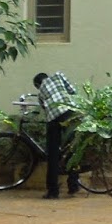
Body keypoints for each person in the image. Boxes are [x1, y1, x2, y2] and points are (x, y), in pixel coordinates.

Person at [35, 71, 81, 199]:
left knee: (53, 154)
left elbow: (45, 109)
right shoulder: (59, 76)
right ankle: (73, 185)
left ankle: (53, 191)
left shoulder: (40, 95)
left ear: (38, 84)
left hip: (54, 120)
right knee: (72, 149)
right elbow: (73, 91)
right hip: (69, 114)